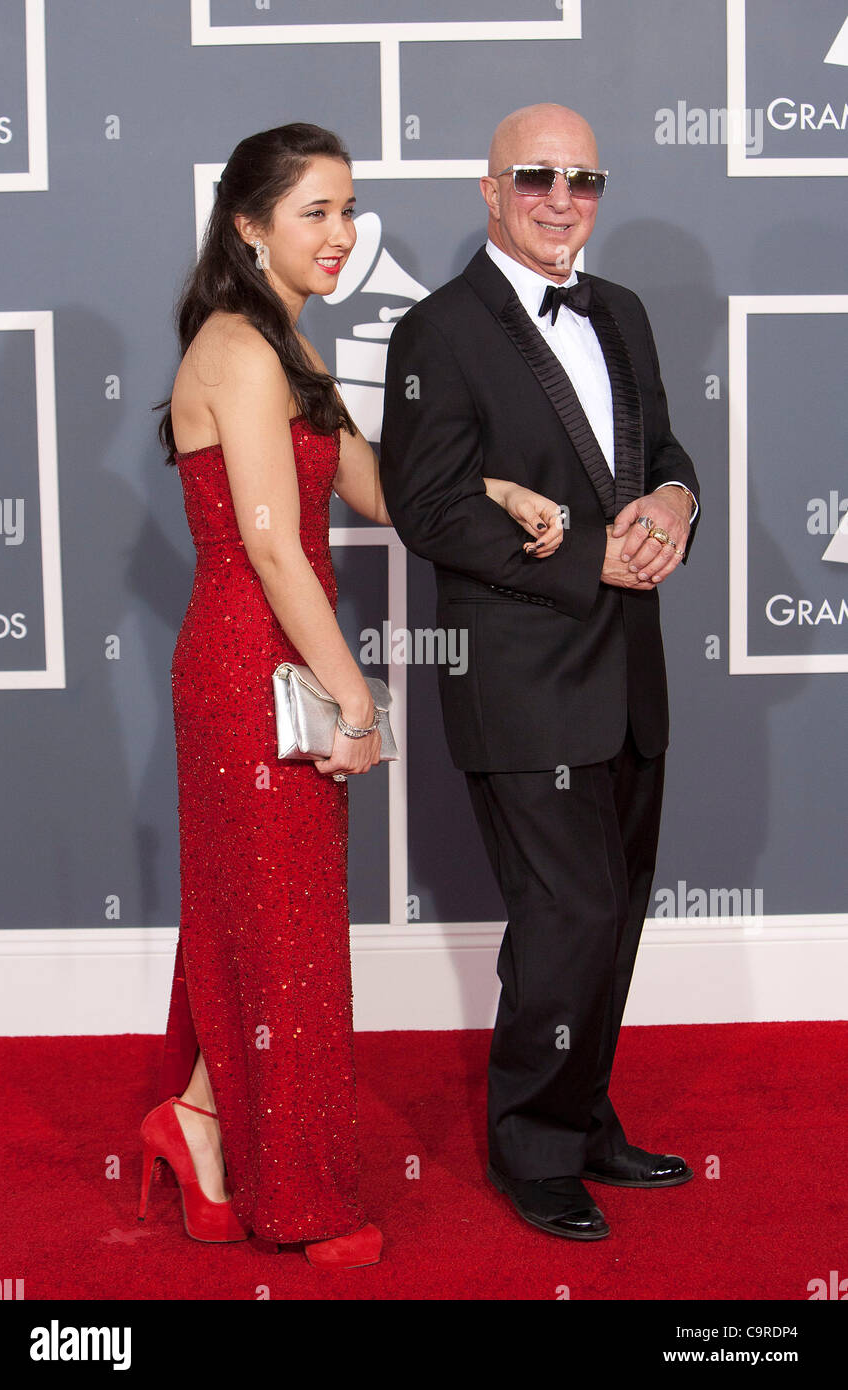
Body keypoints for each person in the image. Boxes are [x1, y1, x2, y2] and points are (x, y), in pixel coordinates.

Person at [140, 122, 569, 1268]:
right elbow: (276, 552)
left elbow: (380, 490)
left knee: (275, 926)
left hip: (276, 654)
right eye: (314, 213)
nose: (341, 236)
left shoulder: (288, 344)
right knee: (278, 931)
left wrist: (493, 484)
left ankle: (193, 1120)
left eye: (347, 211)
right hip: (251, 664)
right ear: (248, 225)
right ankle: (296, 1195)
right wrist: (359, 702)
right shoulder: (236, 349)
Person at [379, 104, 701, 1241]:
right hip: (520, 680)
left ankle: (583, 1116)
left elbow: (659, 453)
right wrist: (580, 547)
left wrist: (674, 501)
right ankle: (531, 1150)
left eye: (583, 178)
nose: (561, 198)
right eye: (535, 176)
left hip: (631, 676)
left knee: (608, 921)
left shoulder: (620, 311)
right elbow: (426, 507)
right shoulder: (438, 332)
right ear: (487, 187)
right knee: (566, 917)